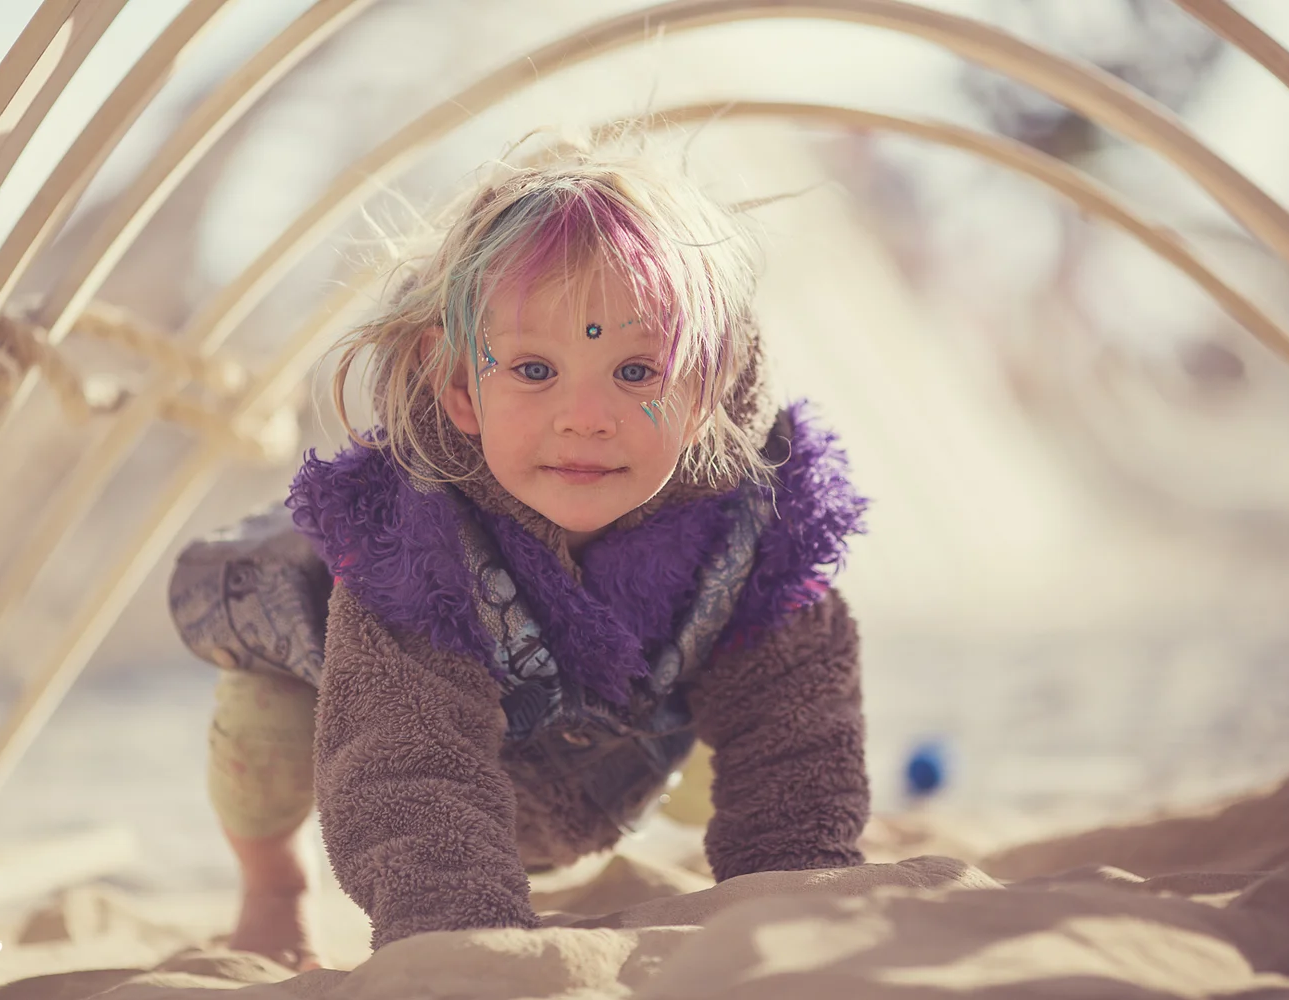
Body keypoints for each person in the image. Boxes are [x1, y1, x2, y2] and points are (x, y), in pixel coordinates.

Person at [168, 128, 872, 968]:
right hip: (395, 737)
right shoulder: (413, 549)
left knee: (750, 743)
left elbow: (796, 734)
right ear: (462, 386)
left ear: (705, 384)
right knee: (262, 722)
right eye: (535, 371)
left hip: (639, 749)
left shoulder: (751, 533)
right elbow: (407, 772)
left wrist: (791, 897)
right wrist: (461, 940)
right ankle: (273, 886)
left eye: (637, 372)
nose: (585, 416)